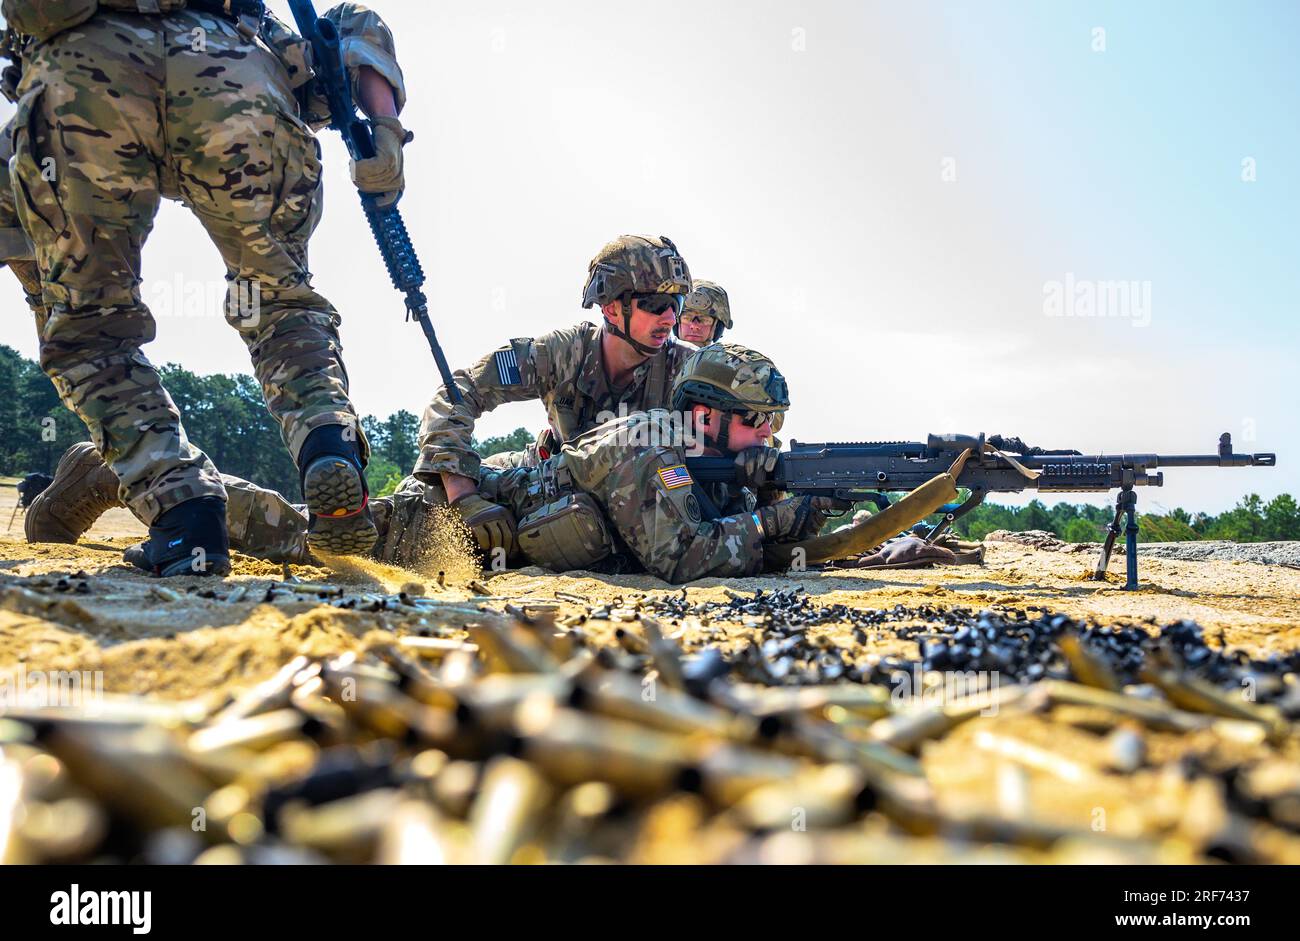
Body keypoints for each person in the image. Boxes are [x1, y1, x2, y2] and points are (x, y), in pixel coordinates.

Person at [1, 1, 412, 575]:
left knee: (90, 330)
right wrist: (386, 134)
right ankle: (325, 441)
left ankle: (184, 510)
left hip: (86, 73)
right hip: (234, 78)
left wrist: (49, 284)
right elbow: (348, 34)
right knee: (279, 304)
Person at [32, 344, 836, 582]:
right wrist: (776, 521)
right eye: (757, 423)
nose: (767, 438)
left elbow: (730, 499)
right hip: (439, 525)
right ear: (706, 416)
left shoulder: (695, 448)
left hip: (492, 541)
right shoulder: (644, 448)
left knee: (294, 535)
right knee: (294, 537)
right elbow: (685, 559)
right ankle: (118, 468)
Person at [414, 234, 696, 557]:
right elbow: (459, 390)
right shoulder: (561, 353)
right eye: (656, 305)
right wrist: (462, 494)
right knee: (424, 501)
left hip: (611, 508)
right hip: (543, 479)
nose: (671, 319)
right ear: (611, 308)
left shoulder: (687, 370)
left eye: (678, 304)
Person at [674, 280, 733, 345]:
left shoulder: (731, 355)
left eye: (704, 320)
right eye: (687, 318)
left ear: (717, 327)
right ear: (676, 322)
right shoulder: (662, 353)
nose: (694, 326)